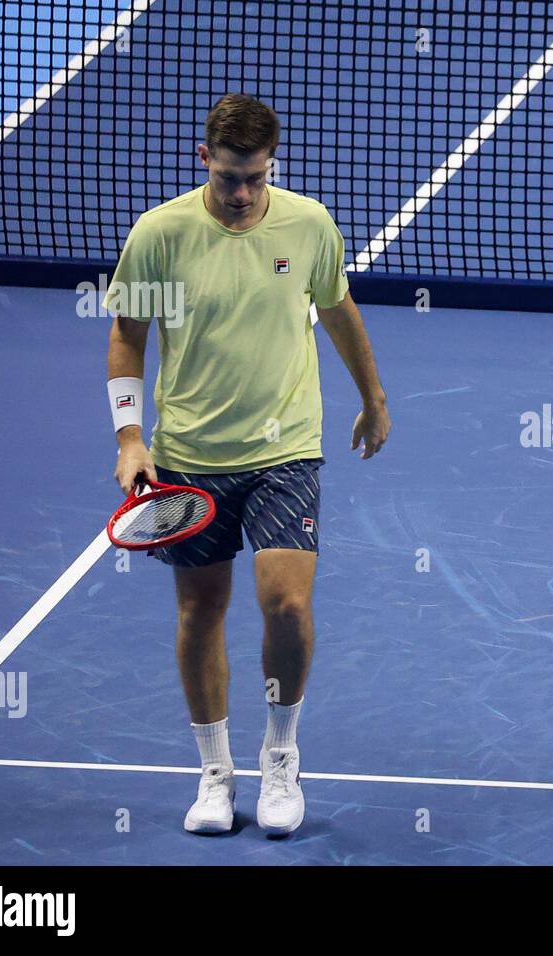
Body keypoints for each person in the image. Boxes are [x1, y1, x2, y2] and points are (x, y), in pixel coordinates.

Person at [104, 93, 390, 836]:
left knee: (286, 604)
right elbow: (128, 336)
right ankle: (213, 769)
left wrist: (374, 397)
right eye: (230, 177)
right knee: (201, 609)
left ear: (271, 167)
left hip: (285, 447)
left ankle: (282, 755)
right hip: (192, 454)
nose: (241, 194)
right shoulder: (160, 236)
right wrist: (130, 438)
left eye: (256, 178)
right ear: (205, 160)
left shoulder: (308, 223)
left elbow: (337, 308)